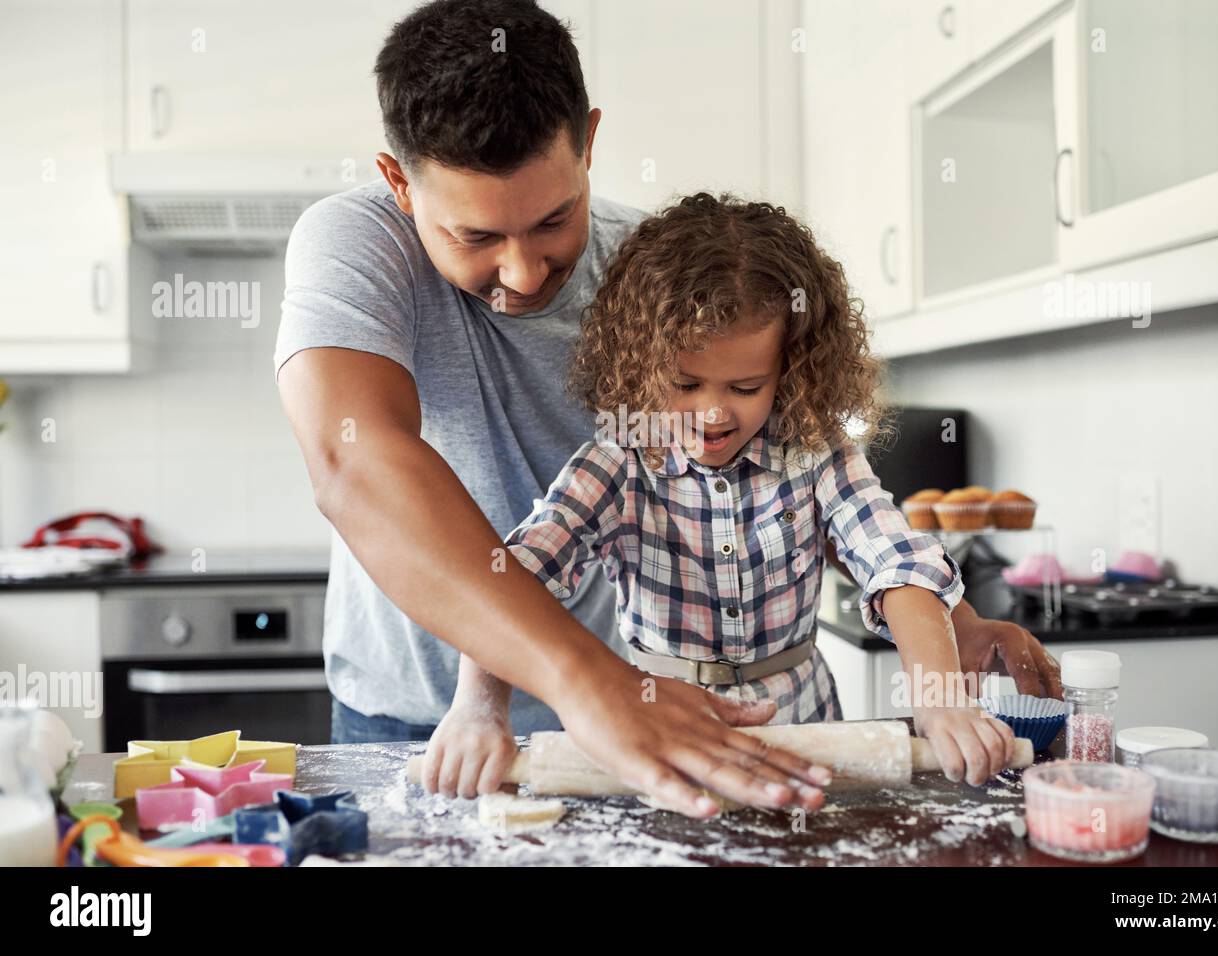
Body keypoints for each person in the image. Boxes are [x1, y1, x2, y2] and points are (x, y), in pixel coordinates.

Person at [275, 0, 1061, 818]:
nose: (525, 273)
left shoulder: (663, 276)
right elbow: (354, 461)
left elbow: (834, 514)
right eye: (475, 237)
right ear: (399, 181)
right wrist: (576, 687)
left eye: (554, 221)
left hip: (652, 717)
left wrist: (952, 625)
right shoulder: (354, 245)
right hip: (431, 713)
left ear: (589, 143)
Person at [423, 193, 1019, 801]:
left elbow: (898, 563)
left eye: (745, 386)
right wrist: (477, 704)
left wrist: (941, 700)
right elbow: (517, 574)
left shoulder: (817, 455)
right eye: (684, 384)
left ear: (790, 372)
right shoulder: (619, 460)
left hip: (807, 735)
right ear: (641, 365)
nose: (712, 413)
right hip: (661, 729)